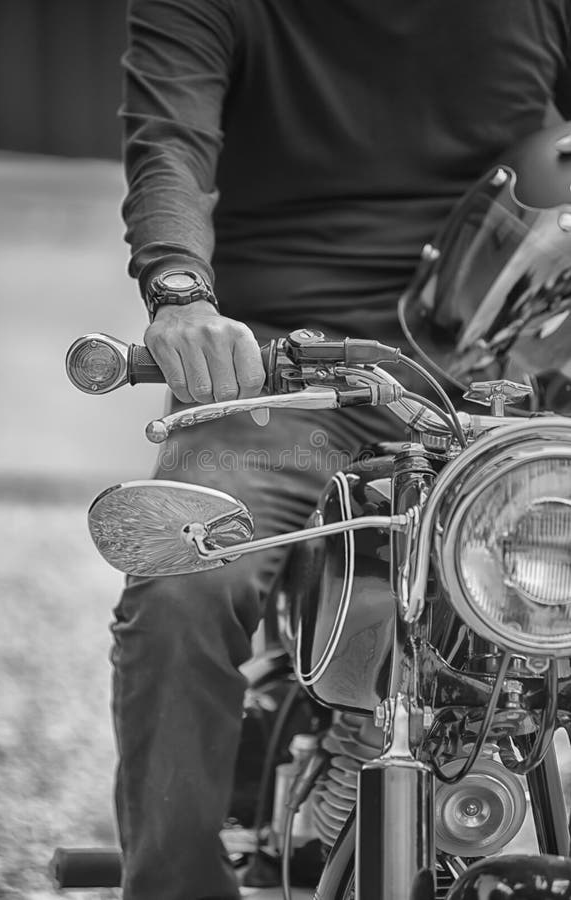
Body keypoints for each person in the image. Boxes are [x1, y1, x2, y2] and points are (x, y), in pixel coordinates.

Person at [113, 2, 571, 898]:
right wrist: (179, 292)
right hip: (281, 370)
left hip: (498, 364)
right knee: (181, 593)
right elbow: (169, 144)